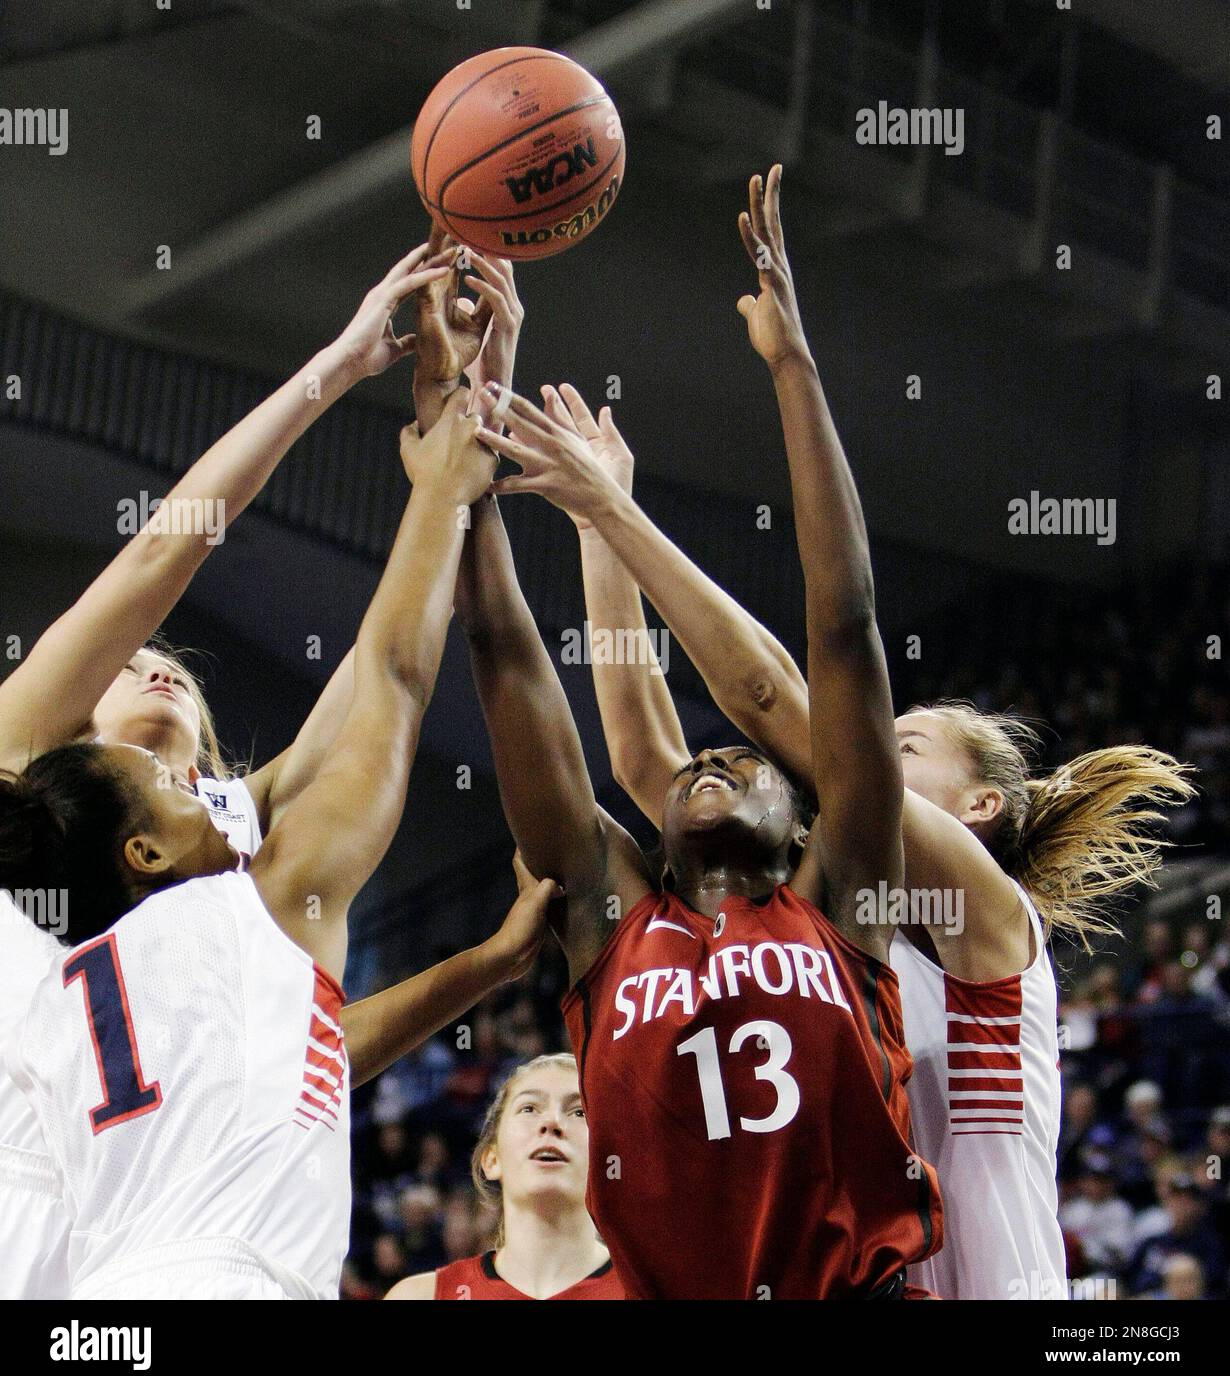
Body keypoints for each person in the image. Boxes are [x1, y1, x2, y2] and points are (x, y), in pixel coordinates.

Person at [487, 166, 1194, 1299]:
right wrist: (594, 531)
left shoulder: (980, 918)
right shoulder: (829, 916)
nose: (864, 749)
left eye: (907, 746)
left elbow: (778, 697)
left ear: (976, 807)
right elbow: (642, 757)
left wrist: (656, 481)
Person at [429, 172, 942, 1298]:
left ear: (800, 817)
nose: (709, 757)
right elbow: (507, 652)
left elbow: (845, 624)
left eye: (746, 760)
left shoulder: (844, 893)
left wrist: (794, 368)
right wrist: (472, 410)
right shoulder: (613, 916)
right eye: (698, 759)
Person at [0, 399, 544, 1299]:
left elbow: (308, 1047)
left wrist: (487, 962)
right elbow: (391, 680)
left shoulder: (63, 996)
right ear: (139, 848)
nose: (203, 798)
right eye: (172, 787)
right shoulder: (248, 908)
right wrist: (448, 476)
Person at [386, 1054, 623, 1300]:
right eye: (529, 1108)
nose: (552, 1122)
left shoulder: (652, 1289)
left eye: (578, 1112)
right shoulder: (419, 1296)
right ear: (491, 1159)